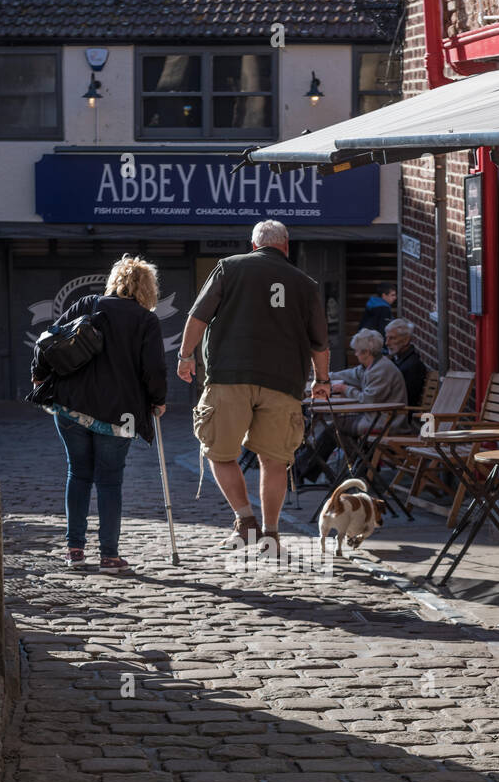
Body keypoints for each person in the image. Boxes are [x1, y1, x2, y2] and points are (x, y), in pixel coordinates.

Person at [177, 219, 330, 549]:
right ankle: (272, 533)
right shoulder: (305, 284)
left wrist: (186, 355)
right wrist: (322, 380)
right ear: (286, 246)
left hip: (230, 376)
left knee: (218, 451)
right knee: (274, 461)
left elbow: (198, 315)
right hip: (284, 381)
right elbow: (320, 342)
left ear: (253, 246)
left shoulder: (228, 268)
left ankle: (246, 520)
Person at [35, 253, 167, 574]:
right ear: (147, 288)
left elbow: (47, 340)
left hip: (71, 406)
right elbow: (154, 369)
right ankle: (109, 555)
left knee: (78, 473)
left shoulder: (87, 305)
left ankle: (74, 551)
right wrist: (158, 400)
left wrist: (39, 376)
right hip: (118, 413)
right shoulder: (146, 321)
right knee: (109, 481)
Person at [297, 328, 410, 482]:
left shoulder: (381, 370)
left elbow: (368, 399)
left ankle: (305, 470)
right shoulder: (369, 367)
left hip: (386, 421)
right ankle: (355, 470)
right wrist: (321, 378)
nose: (355, 354)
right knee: (335, 430)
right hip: (373, 417)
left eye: (357, 351)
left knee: (336, 428)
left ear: (366, 352)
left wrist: (345, 389)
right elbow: (347, 375)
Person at [385, 317, 429, 406]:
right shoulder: (397, 360)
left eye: (392, 338)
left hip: (400, 414)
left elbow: (406, 399)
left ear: (406, 340)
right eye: (387, 338)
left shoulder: (413, 366)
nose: (387, 343)